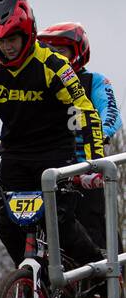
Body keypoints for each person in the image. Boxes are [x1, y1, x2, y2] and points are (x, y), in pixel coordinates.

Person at [0, 0, 104, 281]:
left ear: (27, 33)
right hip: (15, 155)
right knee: (6, 226)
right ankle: (31, 284)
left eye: (12, 38)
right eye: (0, 40)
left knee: (60, 224)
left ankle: (100, 275)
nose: (7, 46)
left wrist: (93, 162)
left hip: (55, 155)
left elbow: (83, 110)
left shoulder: (53, 65)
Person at [37, 22, 121, 248]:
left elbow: (111, 113)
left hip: (86, 168)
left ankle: (107, 280)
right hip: (50, 166)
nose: (56, 56)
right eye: (50, 51)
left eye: (61, 51)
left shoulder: (94, 80)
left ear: (77, 53)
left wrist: (97, 133)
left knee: (96, 236)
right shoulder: (42, 82)